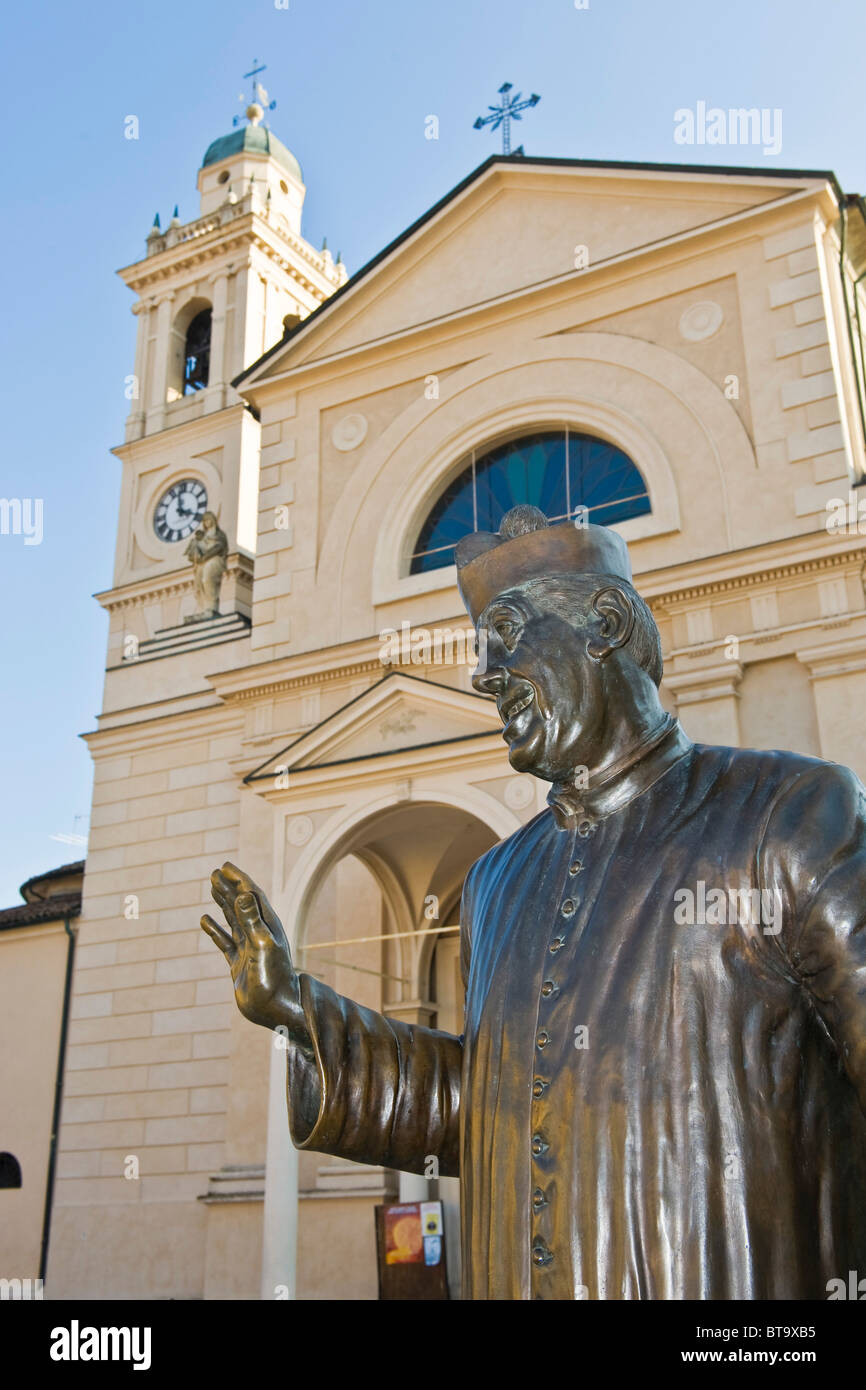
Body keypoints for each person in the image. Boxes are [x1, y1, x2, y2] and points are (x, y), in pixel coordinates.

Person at [202, 505, 866, 1299]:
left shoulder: (783, 812)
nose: (484, 674)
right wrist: (298, 1011)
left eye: (507, 633)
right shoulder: (495, 882)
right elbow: (479, 1107)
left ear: (607, 623)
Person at [184, 511, 227, 620]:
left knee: (207, 578)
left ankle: (211, 607)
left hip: (214, 560)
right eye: (205, 521)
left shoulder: (219, 534)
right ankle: (203, 609)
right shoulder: (203, 536)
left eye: (209, 520)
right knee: (199, 584)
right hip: (202, 563)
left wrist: (206, 556)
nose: (207, 523)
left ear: (213, 520)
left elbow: (219, 547)